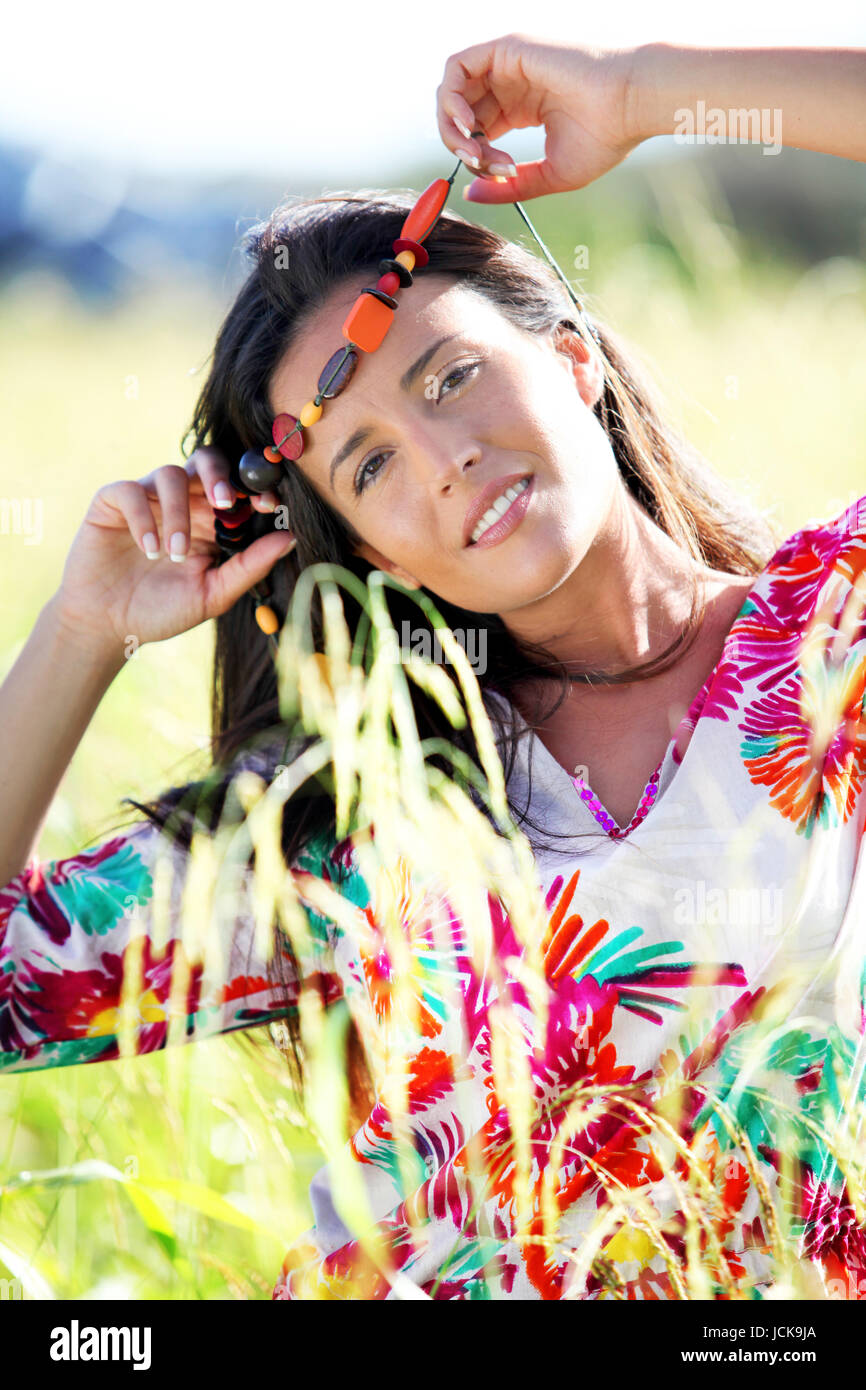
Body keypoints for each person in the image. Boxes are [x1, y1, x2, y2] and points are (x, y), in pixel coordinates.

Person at [1, 35, 865, 1301]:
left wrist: (640, 94)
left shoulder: (831, 641)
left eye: (451, 375)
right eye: (366, 467)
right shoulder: (357, 817)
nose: (442, 458)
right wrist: (85, 633)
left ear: (571, 359)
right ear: (368, 552)